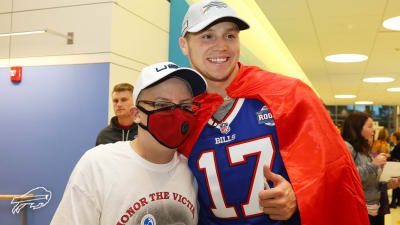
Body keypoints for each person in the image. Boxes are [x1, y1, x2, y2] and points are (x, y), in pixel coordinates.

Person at [177, 0, 369, 224]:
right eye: (207, 36)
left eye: (230, 36)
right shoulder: (182, 113)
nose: (221, 46)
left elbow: (334, 172)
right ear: (184, 45)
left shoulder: (289, 94)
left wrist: (298, 194)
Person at [50, 62, 207, 225]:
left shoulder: (192, 171)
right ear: (136, 114)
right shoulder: (98, 165)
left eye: (185, 106)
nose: (177, 114)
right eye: (162, 104)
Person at [341, 111, 399, 225]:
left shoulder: (364, 150)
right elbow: (347, 176)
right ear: (357, 128)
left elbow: (370, 184)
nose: (374, 130)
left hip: (373, 211)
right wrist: (373, 165)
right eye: (370, 126)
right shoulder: (347, 147)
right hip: (358, 211)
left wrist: (387, 185)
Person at [389, 131, 400, 208]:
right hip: (396, 167)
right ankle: (398, 202)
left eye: (392, 136)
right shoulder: (397, 145)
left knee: (395, 185)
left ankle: (393, 202)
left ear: (395, 137)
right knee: (397, 185)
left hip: (396, 167)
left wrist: (390, 156)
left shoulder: (398, 146)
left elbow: (397, 157)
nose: (391, 137)